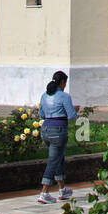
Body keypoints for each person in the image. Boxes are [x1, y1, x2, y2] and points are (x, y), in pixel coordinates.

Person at [37, 70, 78, 203]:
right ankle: (44, 192)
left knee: (58, 157)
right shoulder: (65, 97)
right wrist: (75, 110)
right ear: (62, 82)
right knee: (53, 160)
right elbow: (72, 116)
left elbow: (41, 114)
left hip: (46, 129)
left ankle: (62, 189)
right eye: (65, 83)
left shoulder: (44, 95)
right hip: (58, 130)